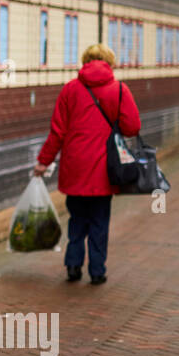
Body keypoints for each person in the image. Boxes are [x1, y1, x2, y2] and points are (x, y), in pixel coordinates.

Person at [32, 43, 140, 285]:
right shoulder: (120, 90)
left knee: (77, 219)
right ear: (110, 63)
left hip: (75, 166)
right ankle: (97, 271)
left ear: (84, 62)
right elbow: (132, 127)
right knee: (100, 222)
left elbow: (57, 132)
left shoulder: (70, 90)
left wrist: (43, 162)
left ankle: (73, 266)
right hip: (105, 168)